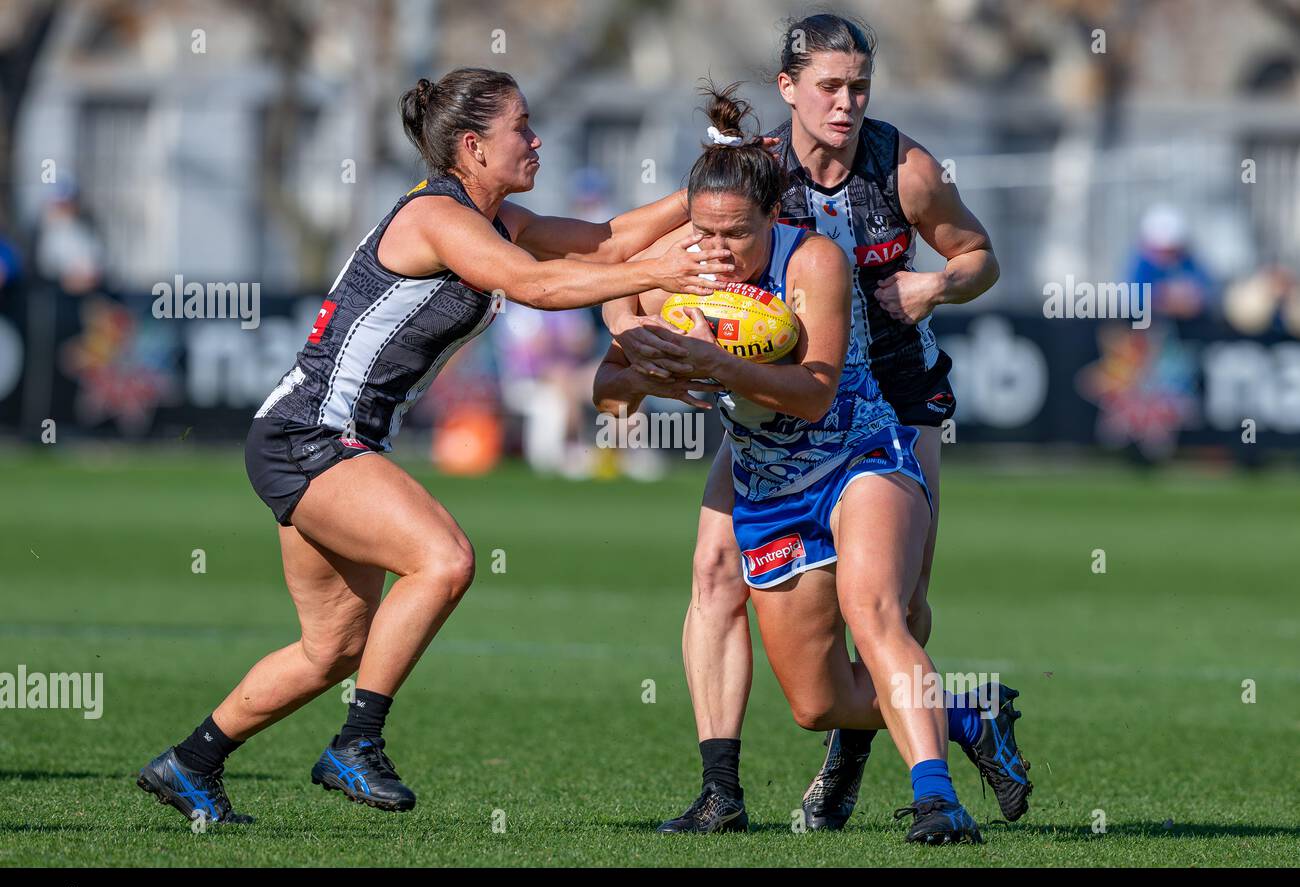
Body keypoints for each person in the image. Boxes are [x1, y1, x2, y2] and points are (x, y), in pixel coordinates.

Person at [136, 66, 735, 825]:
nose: (536, 138)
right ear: (473, 146)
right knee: (444, 559)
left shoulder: (494, 222)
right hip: (309, 434)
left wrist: (707, 188)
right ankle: (357, 742)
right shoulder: (436, 219)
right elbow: (540, 287)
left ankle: (189, 762)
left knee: (331, 649)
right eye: (522, 126)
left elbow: (606, 240)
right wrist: (660, 269)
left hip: (316, 438)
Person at [605, 13, 1028, 834]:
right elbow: (630, 244)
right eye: (829, 86)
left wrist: (934, 287)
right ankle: (722, 789)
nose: (846, 103)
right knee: (712, 568)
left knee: (893, 609)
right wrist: (626, 331)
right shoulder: (750, 179)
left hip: (892, 398)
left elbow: (979, 255)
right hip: (773, 398)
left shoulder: (905, 169)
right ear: (788, 90)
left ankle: (860, 759)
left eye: (859, 86)